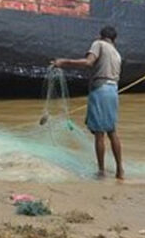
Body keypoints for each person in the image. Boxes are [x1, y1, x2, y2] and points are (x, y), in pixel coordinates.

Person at [51, 25, 124, 179]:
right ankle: (120, 171)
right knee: (112, 131)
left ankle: (101, 171)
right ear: (114, 39)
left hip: (101, 89)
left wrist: (64, 62)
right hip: (113, 91)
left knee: (99, 133)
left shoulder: (99, 44)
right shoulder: (116, 53)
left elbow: (88, 62)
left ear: (101, 36)